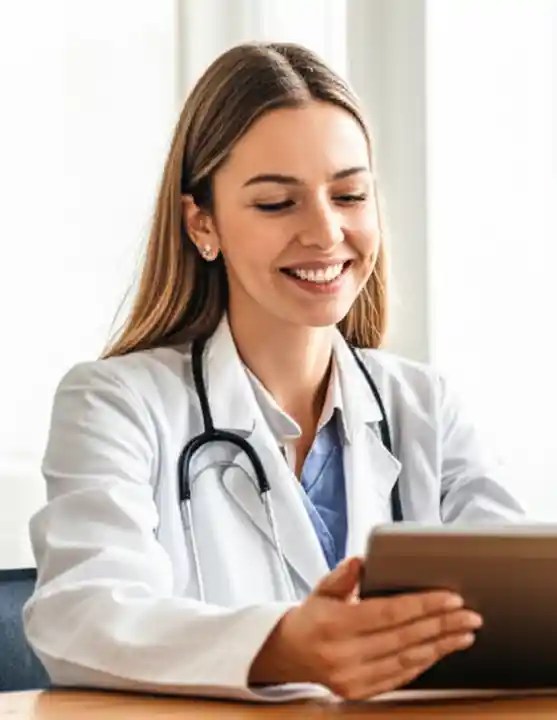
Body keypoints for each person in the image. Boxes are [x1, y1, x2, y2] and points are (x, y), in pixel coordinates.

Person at [23, 42, 523, 701]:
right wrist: (285, 646)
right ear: (203, 223)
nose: (324, 233)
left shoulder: (424, 405)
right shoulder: (116, 403)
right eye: (276, 204)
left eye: (348, 195)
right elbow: (80, 617)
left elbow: (526, 600)